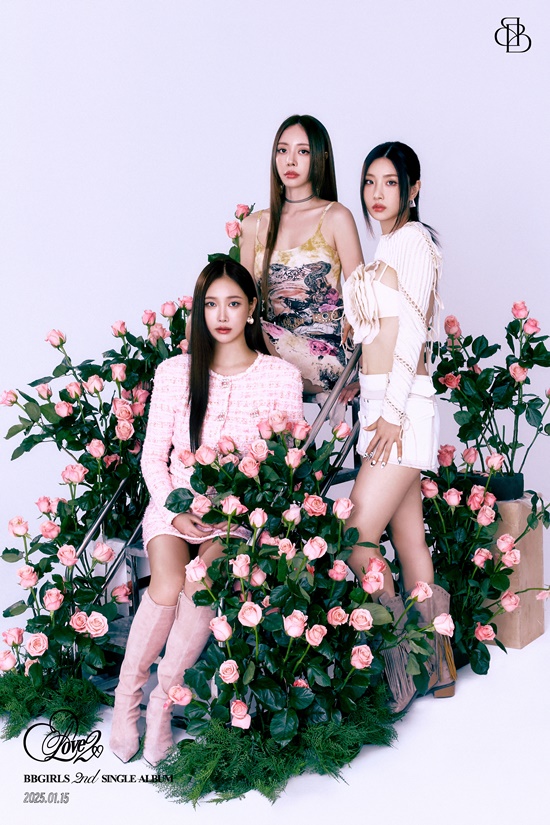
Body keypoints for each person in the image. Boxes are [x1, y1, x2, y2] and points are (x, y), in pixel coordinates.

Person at [110, 259, 303, 765]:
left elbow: (282, 469)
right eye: (211, 304)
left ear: (251, 308)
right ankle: (125, 702)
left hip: (236, 519)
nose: (221, 315)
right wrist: (175, 514)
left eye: (233, 303)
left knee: (201, 589)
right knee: (167, 583)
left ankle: (161, 708)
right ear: (199, 311)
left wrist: (237, 510)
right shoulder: (176, 373)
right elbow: (153, 458)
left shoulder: (280, 378)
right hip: (172, 507)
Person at [342, 141, 455, 712]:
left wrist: (391, 413)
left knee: (356, 538)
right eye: (370, 181)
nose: (377, 193)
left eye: (390, 182)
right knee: (410, 543)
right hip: (381, 405)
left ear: (413, 189)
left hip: (400, 407)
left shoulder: (413, 240)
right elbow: (379, 329)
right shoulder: (387, 245)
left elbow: (412, 331)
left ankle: (400, 667)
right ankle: (439, 668)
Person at [240, 114, 363, 399]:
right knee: (212, 319)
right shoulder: (253, 225)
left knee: (237, 330)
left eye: (303, 151)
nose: (290, 160)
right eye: (282, 150)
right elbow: (243, 300)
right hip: (267, 350)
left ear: (320, 157)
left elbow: (365, 305)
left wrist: (367, 376)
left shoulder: (336, 217)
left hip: (326, 353)